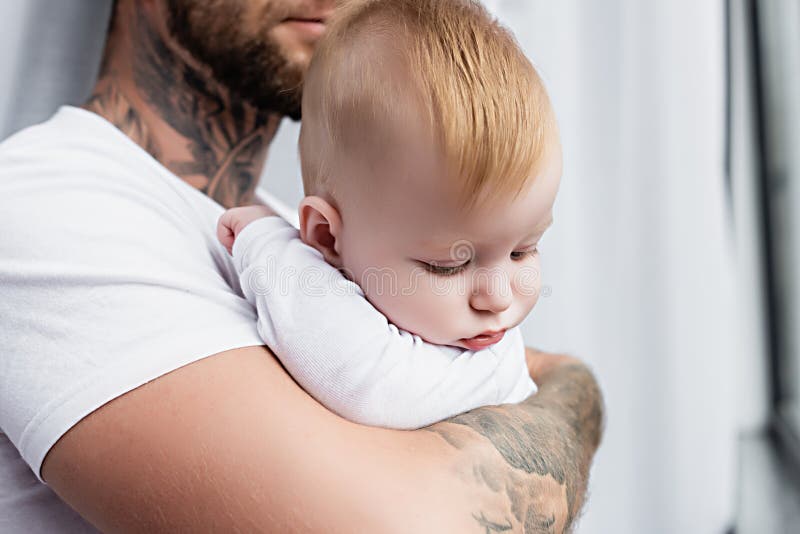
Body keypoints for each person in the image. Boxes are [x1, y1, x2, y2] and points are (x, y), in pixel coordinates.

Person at [0, 1, 604, 533]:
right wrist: (571, 393)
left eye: (523, 251)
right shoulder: (42, 203)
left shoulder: (322, 243)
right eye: (446, 265)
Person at [217, 0, 558, 430]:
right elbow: (347, 357)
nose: (499, 297)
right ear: (324, 238)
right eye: (448, 265)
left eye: (522, 252)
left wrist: (266, 245)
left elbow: (372, 386)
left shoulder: (489, 364)